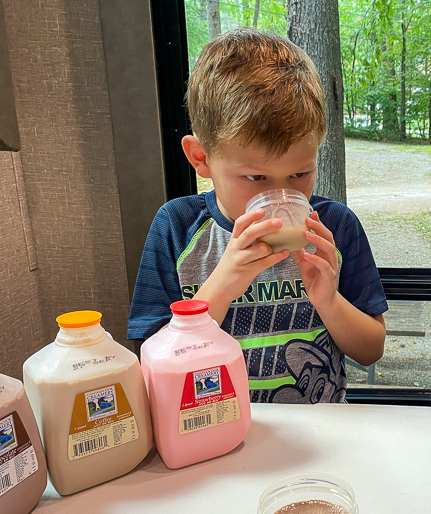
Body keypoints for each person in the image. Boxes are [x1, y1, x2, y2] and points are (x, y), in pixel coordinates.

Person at [128, 29, 387, 403]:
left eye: (300, 175)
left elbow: (370, 350)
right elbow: (151, 358)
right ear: (201, 158)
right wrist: (223, 284)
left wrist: (329, 301)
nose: (281, 197)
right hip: (212, 428)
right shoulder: (176, 227)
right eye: (255, 177)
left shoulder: (336, 226)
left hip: (321, 429)